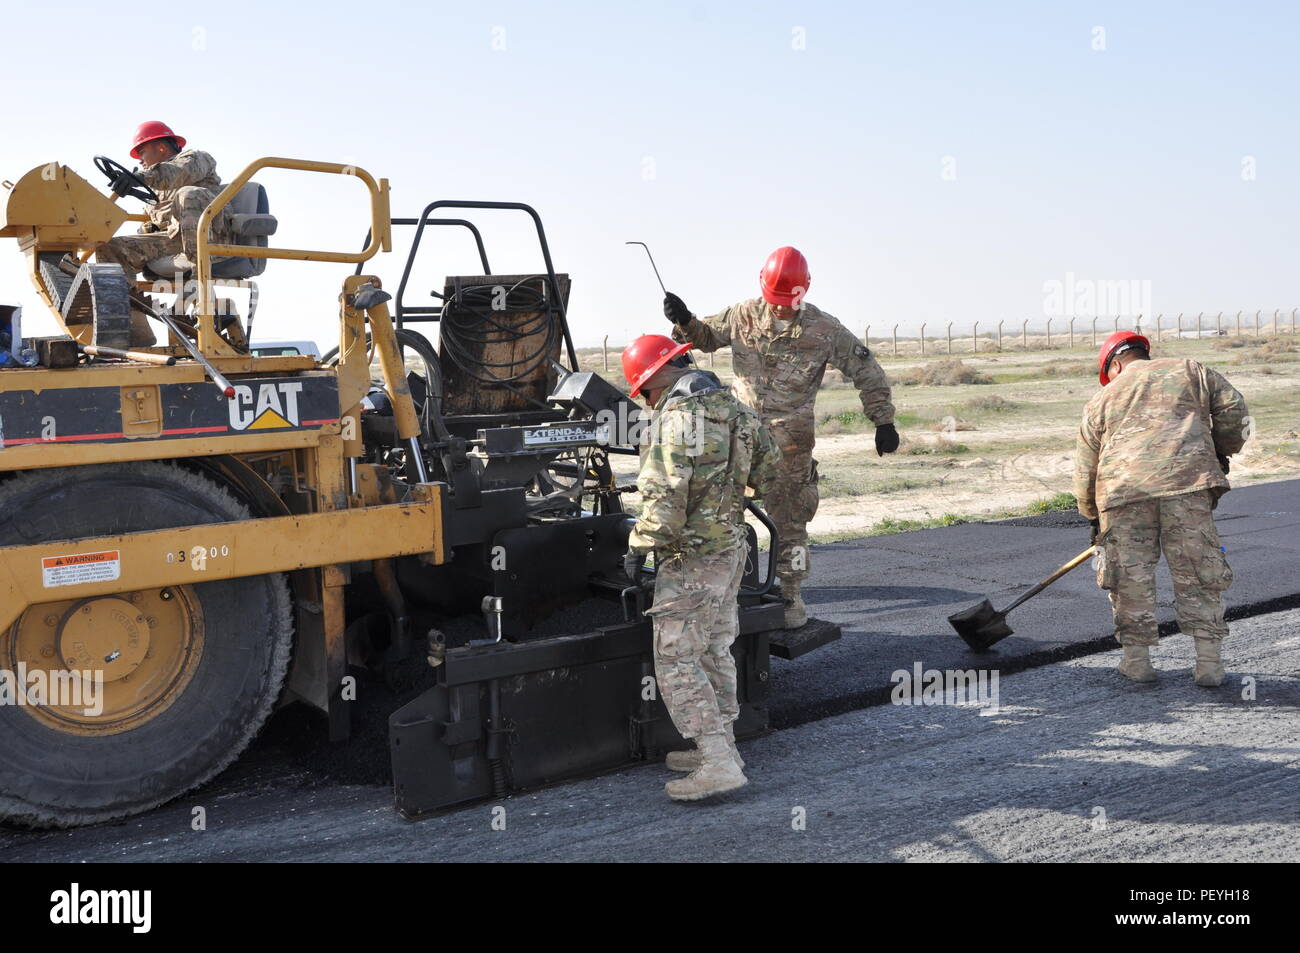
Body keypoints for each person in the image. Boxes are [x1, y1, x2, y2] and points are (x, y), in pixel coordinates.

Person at [664, 246, 897, 628]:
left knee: (790, 522)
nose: (781, 309)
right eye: (775, 301)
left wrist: (883, 421)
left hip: (790, 440)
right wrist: (685, 320)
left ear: (804, 291)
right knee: (724, 514)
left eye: (788, 303)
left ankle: (791, 597)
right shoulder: (741, 315)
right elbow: (705, 338)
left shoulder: (825, 329)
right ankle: (732, 591)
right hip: (738, 436)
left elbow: (866, 369)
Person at [621, 333, 780, 801]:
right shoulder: (739, 412)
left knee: (676, 658)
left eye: (645, 394)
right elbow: (767, 476)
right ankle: (724, 746)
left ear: (656, 378)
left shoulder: (676, 421)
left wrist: (637, 545)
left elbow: (665, 506)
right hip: (731, 552)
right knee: (713, 647)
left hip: (690, 561)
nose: (648, 404)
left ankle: (717, 762)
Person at [1074, 331, 1249, 686]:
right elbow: (1235, 412)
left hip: (1122, 497)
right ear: (1142, 353)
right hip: (1187, 486)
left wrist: (1091, 514)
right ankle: (1209, 665)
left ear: (1115, 365)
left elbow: (1085, 466)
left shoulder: (1102, 399)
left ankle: (1137, 663)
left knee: (1129, 578)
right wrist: (1220, 451)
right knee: (1198, 570)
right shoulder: (1192, 370)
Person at [95, 121, 232, 346]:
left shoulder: (197, 159)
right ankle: (133, 331)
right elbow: (154, 223)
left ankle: (202, 296)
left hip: (212, 236)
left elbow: (175, 173)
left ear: (160, 147)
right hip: (174, 239)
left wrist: (140, 177)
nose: (140, 161)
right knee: (111, 248)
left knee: (188, 195)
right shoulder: (155, 188)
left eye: (142, 152)